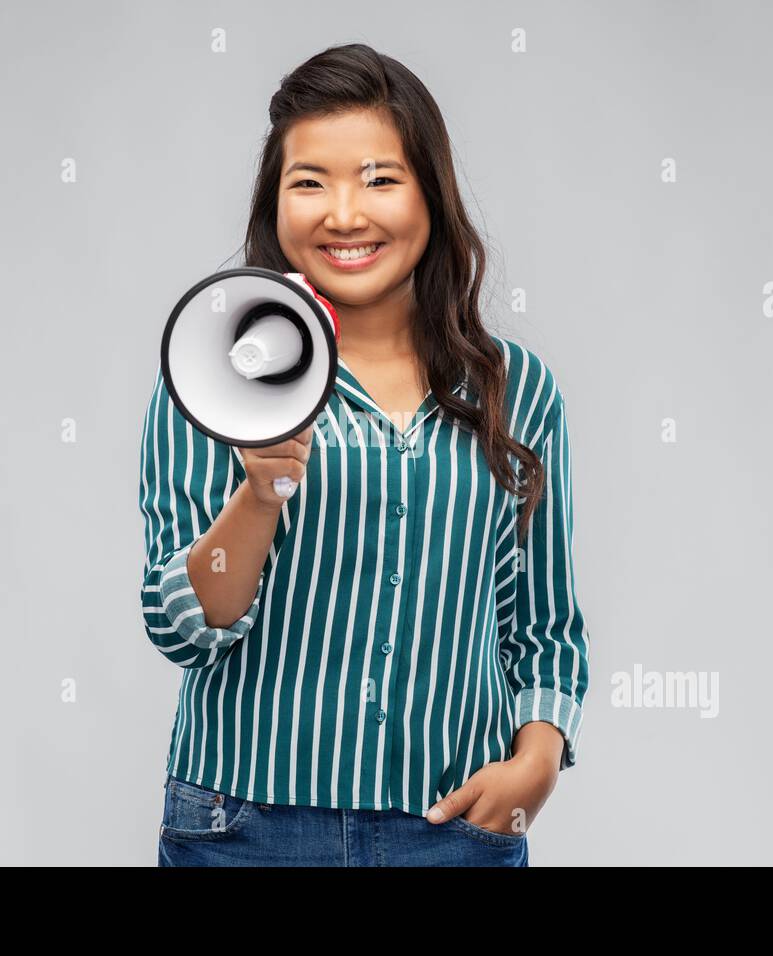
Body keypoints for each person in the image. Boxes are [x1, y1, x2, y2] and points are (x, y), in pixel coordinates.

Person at [140, 43, 589, 867]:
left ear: (431, 195)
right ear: (274, 202)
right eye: (309, 182)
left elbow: (544, 624)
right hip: (244, 829)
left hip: (454, 827)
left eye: (380, 179)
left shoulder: (517, 389)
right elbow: (184, 628)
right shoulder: (212, 377)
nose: (344, 215)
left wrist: (536, 763)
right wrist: (262, 491)